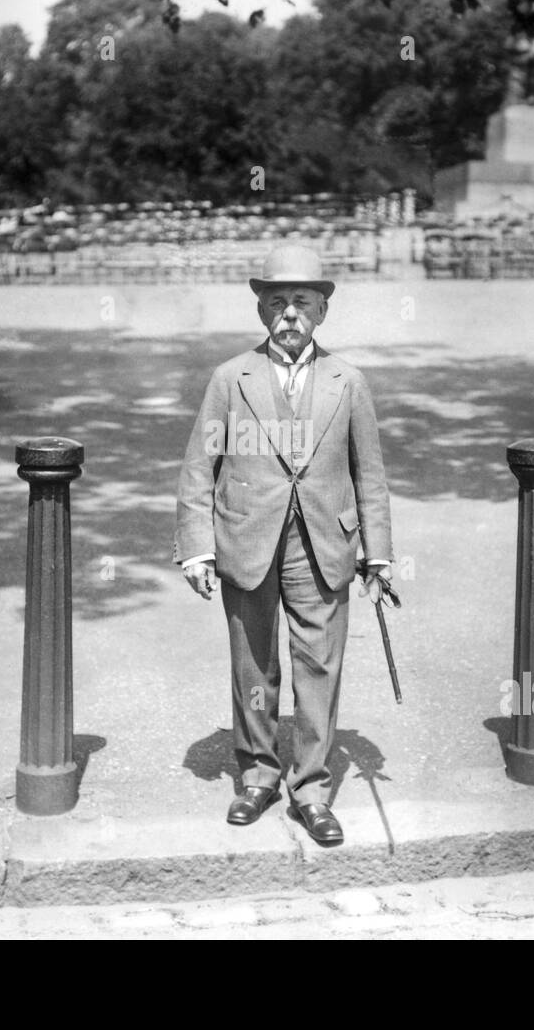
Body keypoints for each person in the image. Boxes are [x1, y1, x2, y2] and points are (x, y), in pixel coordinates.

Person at [172, 243, 394, 846]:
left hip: (322, 543)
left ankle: (312, 788)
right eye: (277, 301)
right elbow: (199, 467)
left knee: (319, 665)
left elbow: (369, 474)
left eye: (302, 301)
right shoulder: (229, 380)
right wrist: (196, 547)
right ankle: (257, 775)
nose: (289, 313)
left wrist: (378, 552)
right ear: (262, 311)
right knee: (254, 665)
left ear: (322, 311)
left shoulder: (348, 382)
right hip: (246, 537)